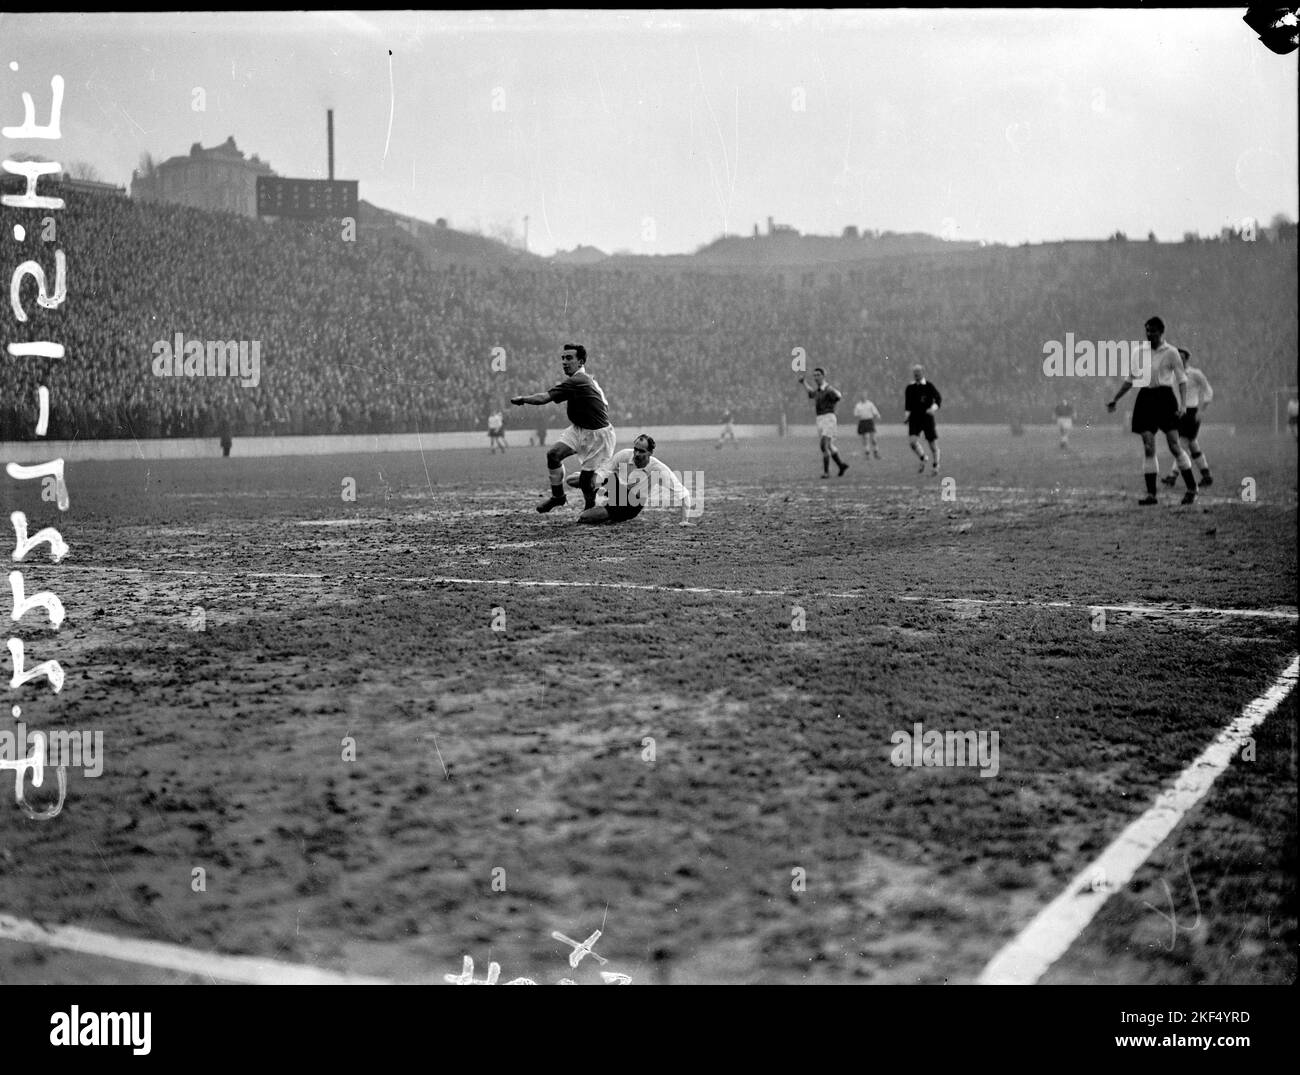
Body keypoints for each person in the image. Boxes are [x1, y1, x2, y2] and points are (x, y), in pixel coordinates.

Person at [510, 343, 616, 513]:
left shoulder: (578, 380)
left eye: (569, 358)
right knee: (553, 455)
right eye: (563, 358)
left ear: (580, 362)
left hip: (598, 436)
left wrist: (522, 399)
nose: (564, 362)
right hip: (579, 429)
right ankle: (558, 497)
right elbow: (605, 404)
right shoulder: (587, 380)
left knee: (587, 484)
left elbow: (544, 398)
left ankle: (593, 505)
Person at [1106, 316, 1197, 505]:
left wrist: (1182, 405)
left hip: (1165, 398)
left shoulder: (1171, 352)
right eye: (1147, 330)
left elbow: (1181, 379)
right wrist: (1115, 399)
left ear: (1161, 332)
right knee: (1148, 446)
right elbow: (1131, 379)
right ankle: (1151, 494)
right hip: (1146, 398)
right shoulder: (1139, 352)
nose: (1149, 334)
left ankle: (1192, 488)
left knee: (1174, 445)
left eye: (1153, 331)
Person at [569, 433, 693, 526]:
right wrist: (592, 482)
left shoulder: (659, 469)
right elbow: (605, 470)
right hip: (618, 487)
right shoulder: (624, 455)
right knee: (572, 479)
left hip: (631, 503)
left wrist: (684, 521)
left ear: (650, 453)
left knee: (585, 518)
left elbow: (684, 494)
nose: (637, 454)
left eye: (642, 451)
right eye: (636, 449)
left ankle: (606, 513)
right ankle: (591, 502)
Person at [1161, 349, 1213, 488]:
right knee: (1192, 444)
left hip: (1191, 412)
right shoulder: (1172, 375)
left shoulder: (1195, 374)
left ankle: (1172, 476)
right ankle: (1206, 475)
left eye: (1182, 358)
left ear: (1187, 359)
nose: (1180, 360)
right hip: (1179, 412)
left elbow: (1208, 390)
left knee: (1182, 444)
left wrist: (1201, 410)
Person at [798, 367, 849, 478]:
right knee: (829, 446)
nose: (816, 377)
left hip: (828, 418)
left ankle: (826, 472)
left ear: (823, 376)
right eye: (814, 375)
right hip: (820, 419)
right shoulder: (819, 390)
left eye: (818, 375)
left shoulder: (828, 389)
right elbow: (811, 393)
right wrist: (804, 383)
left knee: (823, 445)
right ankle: (841, 465)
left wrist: (835, 395)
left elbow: (838, 396)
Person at [904, 364, 941, 474]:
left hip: (927, 418)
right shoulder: (910, 388)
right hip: (914, 418)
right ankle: (923, 457)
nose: (916, 374)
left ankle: (936, 464)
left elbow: (938, 399)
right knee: (912, 442)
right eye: (914, 372)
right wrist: (907, 416)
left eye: (918, 372)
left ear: (922, 373)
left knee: (932, 444)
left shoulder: (929, 386)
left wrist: (933, 408)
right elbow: (908, 404)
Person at [854, 393, 881, 458]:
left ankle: (876, 453)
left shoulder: (870, 404)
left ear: (866, 397)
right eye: (862, 397)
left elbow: (875, 412)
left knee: (873, 439)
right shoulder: (858, 405)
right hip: (863, 422)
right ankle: (867, 454)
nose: (863, 398)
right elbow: (856, 414)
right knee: (865, 439)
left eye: (864, 396)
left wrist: (877, 416)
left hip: (869, 421)